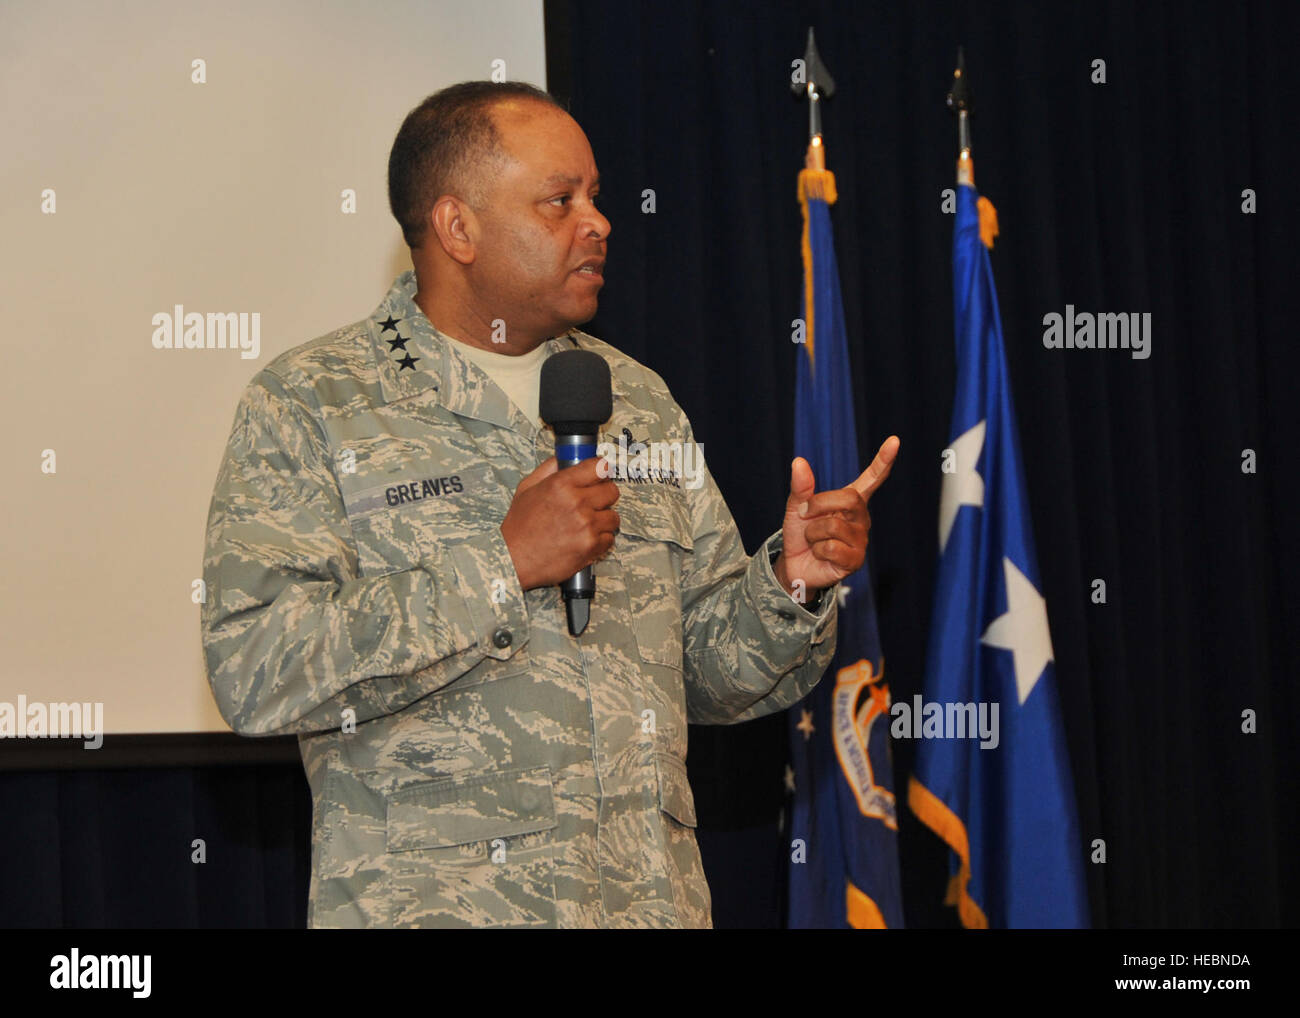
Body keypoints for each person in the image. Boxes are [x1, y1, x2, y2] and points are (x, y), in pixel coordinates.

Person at [200, 81, 899, 928]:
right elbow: (257, 671)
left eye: (596, 197)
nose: (598, 222)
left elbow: (712, 675)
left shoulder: (637, 401)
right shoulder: (315, 402)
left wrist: (791, 584)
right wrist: (502, 566)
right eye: (559, 201)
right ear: (458, 228)